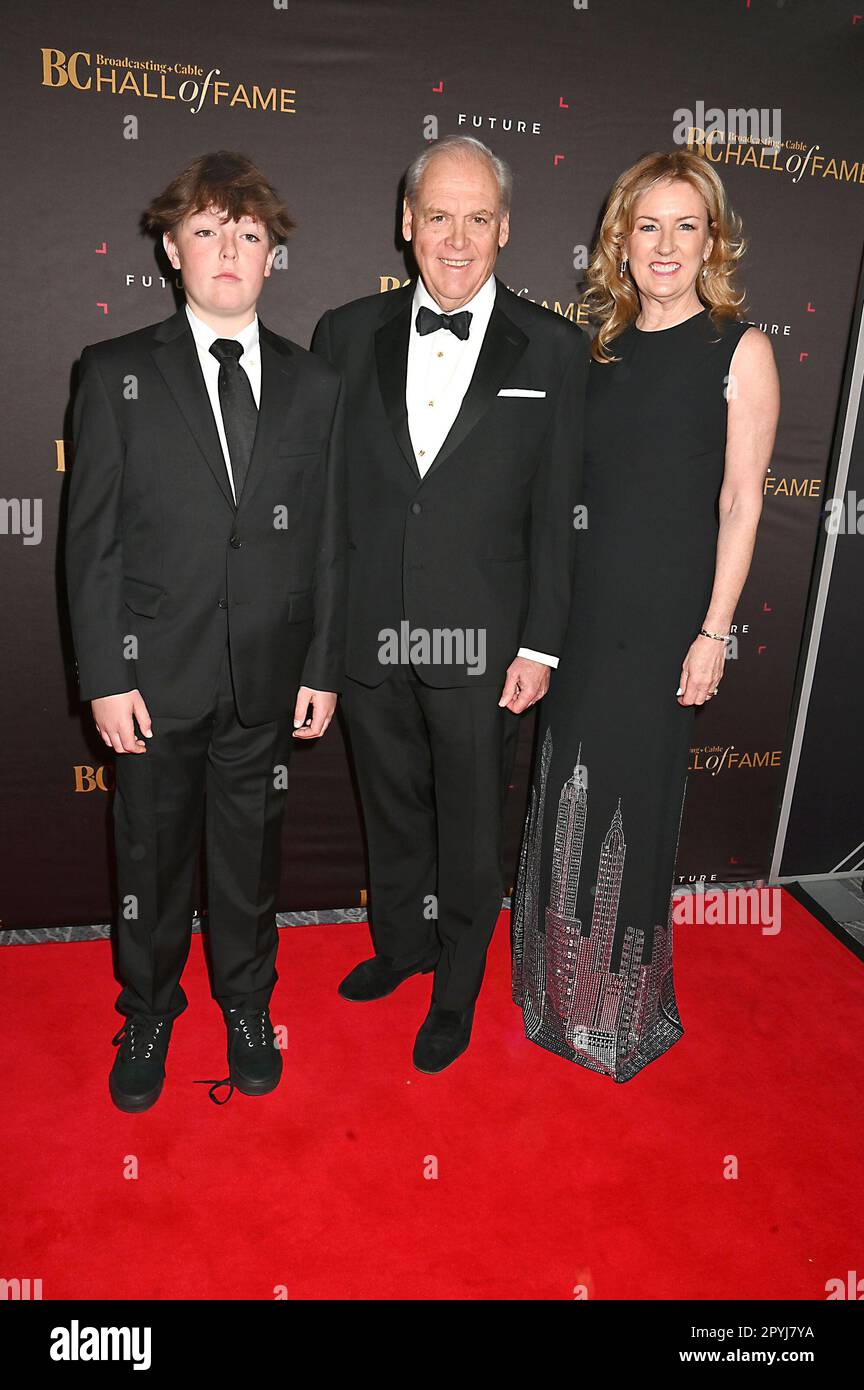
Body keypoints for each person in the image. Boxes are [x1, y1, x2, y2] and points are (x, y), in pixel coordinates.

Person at [65, 150, 346, 1110]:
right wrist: (104, 676)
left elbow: (328, 541)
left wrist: (321, 663)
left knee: (250, 856)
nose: (230, 249)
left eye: (250, 233)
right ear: (171, 249)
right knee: (145, 854)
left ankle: (246, 1004)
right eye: (209, 230)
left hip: (266, 679)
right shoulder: (113, 375)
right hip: (150, 676)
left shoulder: (318, 387)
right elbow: (89, 542)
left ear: (274, 256)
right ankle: (148, 1009)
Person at [312, 134, 589, 1073]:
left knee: (471, 825)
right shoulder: (344, 334)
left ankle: (459, 984)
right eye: (439, 216)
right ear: (407, 223)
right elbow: (323, 503)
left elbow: (559, 516)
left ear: (505, 229)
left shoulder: (552, 347)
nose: (457, 238)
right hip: (371, 629)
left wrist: (541, 644)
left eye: (478, 218)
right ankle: (403, 946)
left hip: (484, 637)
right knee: (388, 806)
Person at [512, 150, 780, 1081]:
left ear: (712, 241)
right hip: (582, 620)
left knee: (633, 799)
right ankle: (555, 991)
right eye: (648, 225)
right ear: (621, 240)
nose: (665, 245)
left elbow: (742, 504)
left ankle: (618, 1007)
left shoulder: (738, 349)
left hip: (666, 623)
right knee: (568, 792)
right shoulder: (592, 350)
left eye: (686, 226)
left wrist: (714, 631)